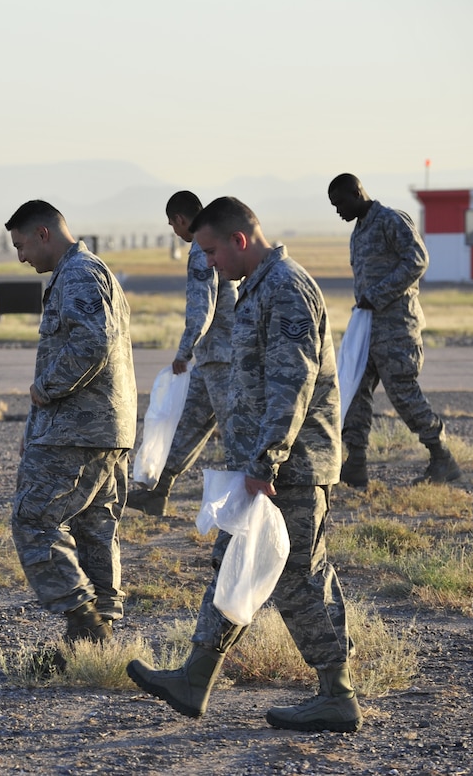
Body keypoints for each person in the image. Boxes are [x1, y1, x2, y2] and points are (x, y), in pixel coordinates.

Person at [127, 197, 361, 733]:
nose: (207, 263)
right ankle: (196, 676)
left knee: (298, 577)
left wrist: (265, 460)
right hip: (262, 462)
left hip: (290, 468)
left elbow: (290, 386)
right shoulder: (257, 286)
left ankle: (337, 694)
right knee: (233, 563)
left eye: (210, 250)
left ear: (239, 239)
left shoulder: (284, 287)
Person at [6, 199, 136, 651]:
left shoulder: (78, 274)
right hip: (101, 429)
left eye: (22, 246)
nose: (21, 258)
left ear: (44, 233)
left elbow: (91, 342)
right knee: (93, 529)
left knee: (33, 519)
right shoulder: (88, 270)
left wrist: (48, 387)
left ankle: (86, 623)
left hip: (77, 429)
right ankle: (96, 647)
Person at [328, 173, 460, 487]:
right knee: (356, 391)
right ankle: (356, 462)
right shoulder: (359, 231)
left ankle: (441, 456)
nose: (338, 211)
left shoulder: (390, 220)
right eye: (334, 206)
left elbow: (418, 260)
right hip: (369, 330)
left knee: (403, 394)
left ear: (358, 193)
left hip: (397, 329)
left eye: (341, 203)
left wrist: (378, 295)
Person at [130, 191, 236, 516]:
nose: (174, 232)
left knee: (236, 435)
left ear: (180, 220)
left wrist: (183, 351)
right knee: (188, 425)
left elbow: (201, 307)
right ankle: (158, 492)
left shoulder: (201, 250)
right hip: (215, 356)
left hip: (221, 357)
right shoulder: (219, 242)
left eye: (172, 225)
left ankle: (250, 503)